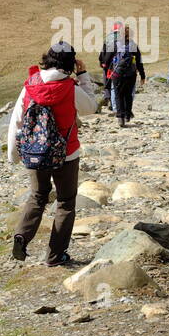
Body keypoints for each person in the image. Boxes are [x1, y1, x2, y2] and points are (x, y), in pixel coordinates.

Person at [7, 41, 99, 266]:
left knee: (38, 197)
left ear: (46, 59)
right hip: (66, 153)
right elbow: (91, 108)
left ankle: (22, 236)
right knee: (66, 202)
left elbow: (16, 120)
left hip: (35, 153)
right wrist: (84, 75)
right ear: (70, 63)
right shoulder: (71, 87)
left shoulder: (30, 84)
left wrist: (14, 154)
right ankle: (55, 255)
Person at [103, 23, 145, 126]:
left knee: (118, 95)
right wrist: (143, 75)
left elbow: (106, 59)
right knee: (128, 94)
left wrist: (109, 67)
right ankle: (127, 115)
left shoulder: (115, 44)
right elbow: (139, 62)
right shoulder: (133, 45)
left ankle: (120, 117)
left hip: (117, 73)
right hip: (131, 74)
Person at [98, 22, 122, 113]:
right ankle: (116, 104)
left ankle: (109, 101)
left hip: (108, 65)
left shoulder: (108, 38)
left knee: (107, 83)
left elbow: (103, 51)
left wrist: (102, 62)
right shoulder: (124, 38)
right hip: (120, 65)